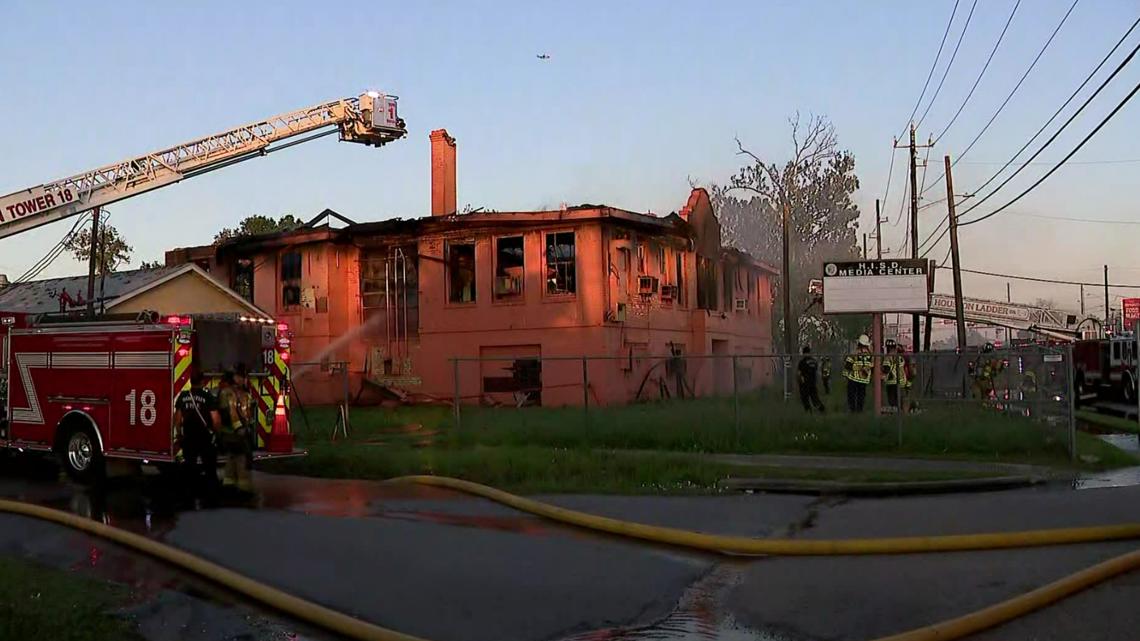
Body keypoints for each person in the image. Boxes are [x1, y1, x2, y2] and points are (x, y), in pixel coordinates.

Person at [173, 370, 221, 491]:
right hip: (205, 438)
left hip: (188, 438)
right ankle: (211, 495)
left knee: (190, 466)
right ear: (203, 381)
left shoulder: (183, 396)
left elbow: (177, 419)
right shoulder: (207, 396)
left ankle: (190, 493)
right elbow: (215, 419)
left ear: (191, 381)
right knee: (210, 468)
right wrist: (217, 434)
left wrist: (179, 434)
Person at [218, 369, 254, 492]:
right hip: (234, 433)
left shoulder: (242, 393)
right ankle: (243, 488)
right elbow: (230, 413)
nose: (244, 380)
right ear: (235, 378)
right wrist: (240, 428)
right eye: (242, 377)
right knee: (241, 458)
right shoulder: (230, 394)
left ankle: (229, 485)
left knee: (231, 457)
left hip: (232, 433)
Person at [844, 334, 873, 412]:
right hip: (864, 379)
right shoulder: (870, 354)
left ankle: (853, 411)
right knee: (861, 396)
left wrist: (855, 368)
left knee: (851, 395)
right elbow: (872, 366)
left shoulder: (855, 352)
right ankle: (859, 411)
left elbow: (847, 365)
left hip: (854, 378)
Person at [797, 345, 826, 413]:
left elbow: (799, 373)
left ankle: (808, 411)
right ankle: (821, 409)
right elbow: (816, 370)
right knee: (815, 398)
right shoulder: (814, 361)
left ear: (804, 353)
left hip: (805, 383)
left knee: (804, 398)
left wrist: (800, 381)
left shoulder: (802, 362)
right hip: (813, 382)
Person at [883, 341, 901, 410]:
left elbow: (886, 369)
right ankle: (899, 409)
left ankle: (893, 410)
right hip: (899, 379)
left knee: (891, 397)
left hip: (891, 380)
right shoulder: (899, 357)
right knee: (898, 397)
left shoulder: (888, 357)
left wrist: (882, 372)